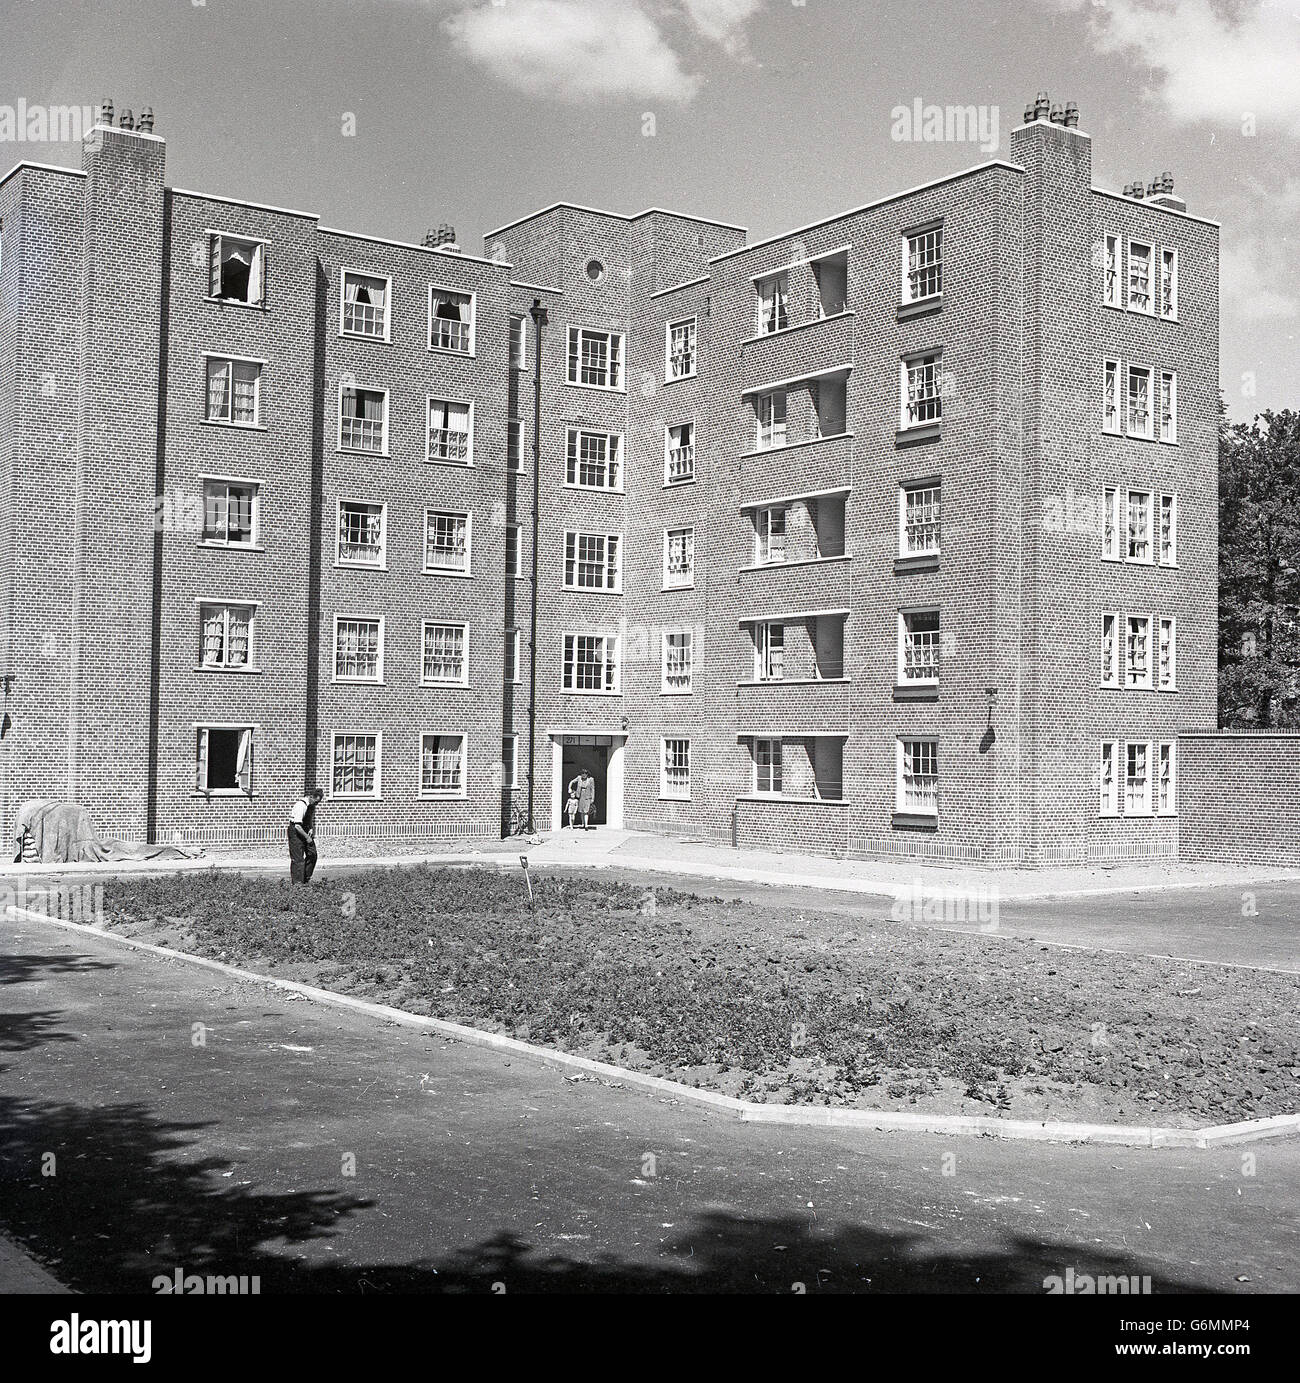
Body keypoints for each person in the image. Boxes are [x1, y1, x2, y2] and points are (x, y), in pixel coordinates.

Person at [288, 787, 324, 883]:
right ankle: (297, 884)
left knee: (313, 854)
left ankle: (305, 878)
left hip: (305, 830)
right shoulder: (301, 806)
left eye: (318, 803)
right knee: (298, 859)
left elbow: (309, 818)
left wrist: (311, 828)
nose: (316, 804)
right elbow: (297, 826)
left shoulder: (311, 806)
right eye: (316, 802)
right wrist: (307, 837)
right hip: (296, 832)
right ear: (311, 797)